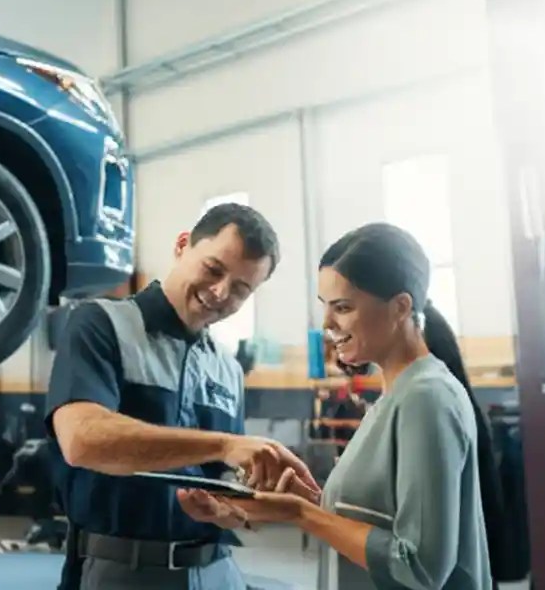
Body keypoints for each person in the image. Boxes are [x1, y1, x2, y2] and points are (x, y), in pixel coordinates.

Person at [178, 222, 507, 590]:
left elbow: (420, 566)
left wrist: (301, 513)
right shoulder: (395, 396)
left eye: (343, 307)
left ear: (400, 307)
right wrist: (309, 501)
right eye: (325, 307)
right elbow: (378, 522)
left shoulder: (426, 398)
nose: (327, 323)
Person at [43, 202, 318, 590]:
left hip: (218, 572)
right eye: (213, 269)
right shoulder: (100, 324)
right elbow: (82, 440)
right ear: (182, 245)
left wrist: (234, 511)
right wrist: (224, 445)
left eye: (241, 290)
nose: (221, 292)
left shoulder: (228, 369)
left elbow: (230, 490)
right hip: (121, 572)